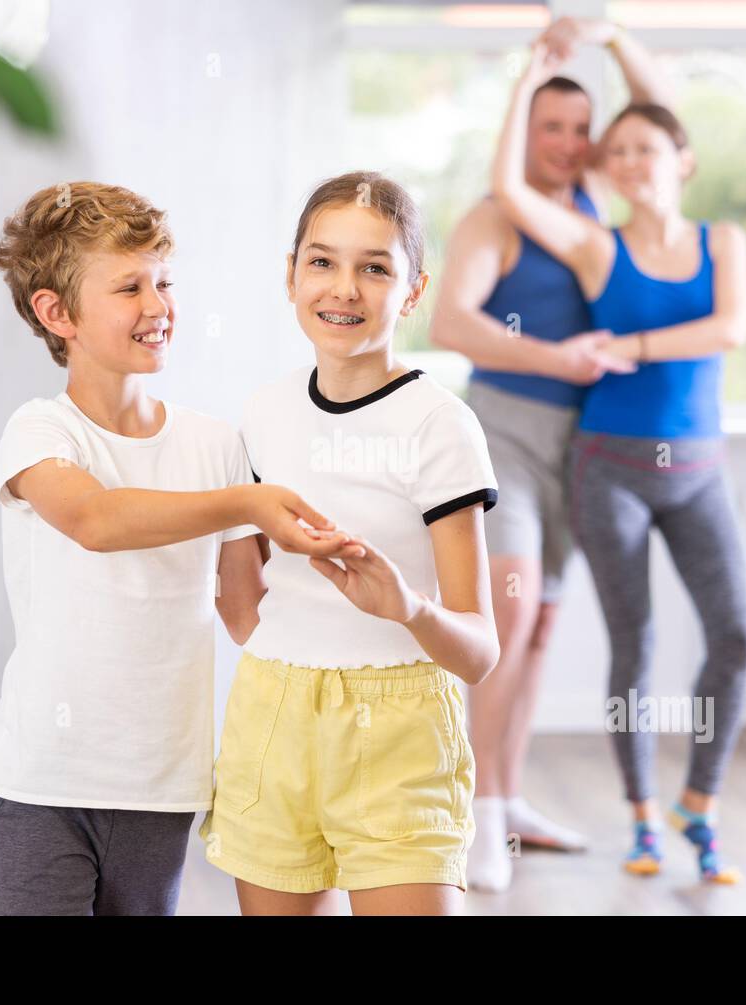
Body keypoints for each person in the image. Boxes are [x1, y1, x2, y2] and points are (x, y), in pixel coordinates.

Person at [0, 181, 357, 915]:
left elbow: (248, 615)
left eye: (163, 281)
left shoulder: (215, 444)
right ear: (56, 313)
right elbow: (96, 519)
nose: (158, 306)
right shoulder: (40, 433)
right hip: (41, 783)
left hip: (163, 786)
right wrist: (248, 499)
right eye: (129, 287)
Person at [198, 171, 501, 915]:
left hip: (401, 730)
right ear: (292, 273)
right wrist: (280, 652)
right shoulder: (264, 413)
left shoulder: (440, 425)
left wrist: (407, 607)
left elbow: (480, 650)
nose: (343, 287)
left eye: (375, 267)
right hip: (272, 716)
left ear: (413, 289)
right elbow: (239, 592)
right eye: (322, 261)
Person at [491, 43, 746, 884]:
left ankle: (699, 801)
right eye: (620, 150)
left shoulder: (727, 239)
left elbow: (731, 329)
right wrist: (529, 76)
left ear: (685, 159)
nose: (634, 159)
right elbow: (508, 188)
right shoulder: (595, 246)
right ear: (608, 169)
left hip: (700, 470)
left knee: (738, 633)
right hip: (609, 465)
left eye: (652, 146)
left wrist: (611, 38)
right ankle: (643, 813)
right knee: (633, 643)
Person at [430, 16, 670, 892]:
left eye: (581, 130)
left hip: (586, 447)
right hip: (505, 437)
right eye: (550, 127)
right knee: (508, 624)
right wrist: (557, 358)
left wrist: (611, 34)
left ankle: (510, 796)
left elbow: (661, 116)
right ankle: (477, 816)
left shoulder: (598, 206)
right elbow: (451, 325)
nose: (569, 144)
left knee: (541, 635)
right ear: (522, 130)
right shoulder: (498, 216)